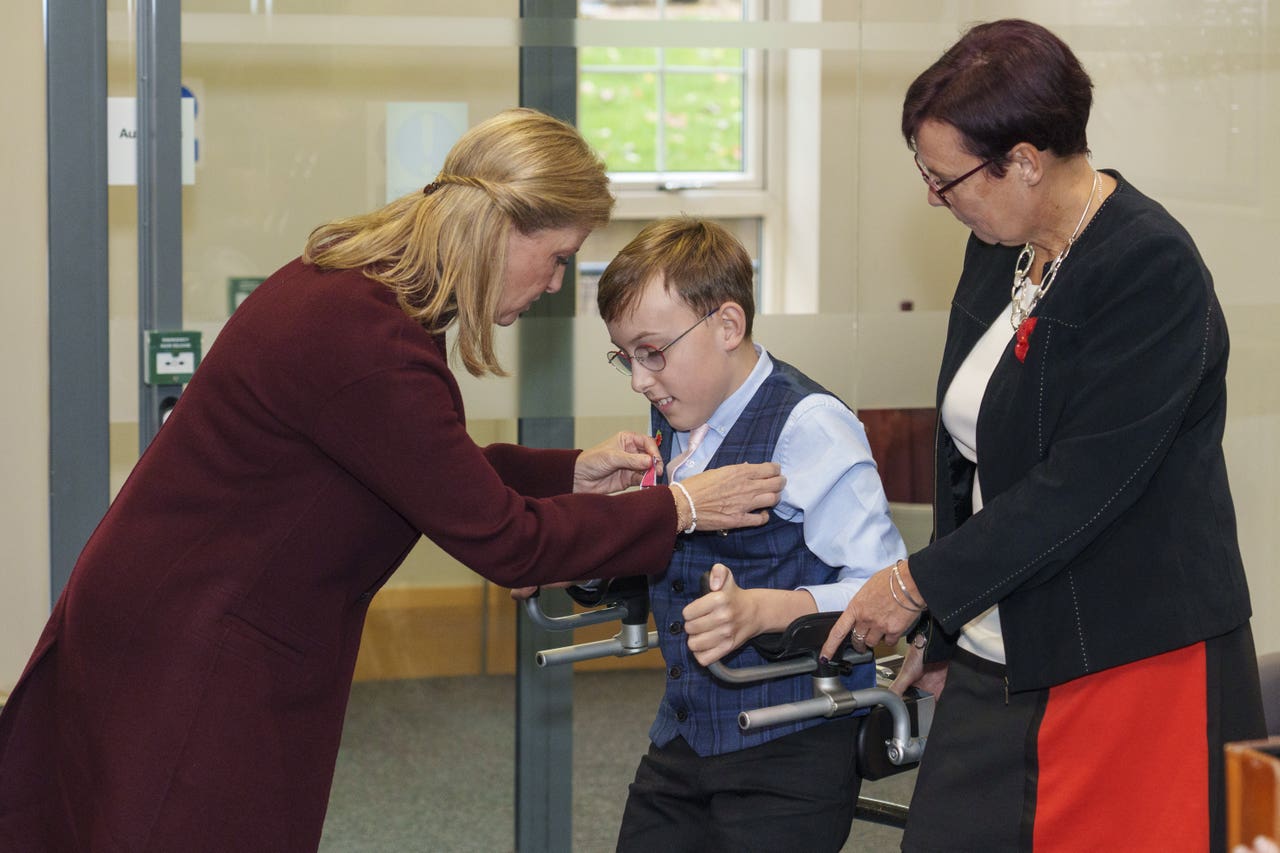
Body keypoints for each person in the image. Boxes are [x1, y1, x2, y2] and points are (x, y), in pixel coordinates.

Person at [0, 109, 785, 852]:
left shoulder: (357, 294)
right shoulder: (367, 337)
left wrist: (573, 474)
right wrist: (681, 505)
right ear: (503, 229)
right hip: (195, 646)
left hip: (181, 616)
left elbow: (409, 466)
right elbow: (507, 543)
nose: (553, 286)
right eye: (556, 259)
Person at [818, 19, 1266, 852]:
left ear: (1023, 161)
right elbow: (969, 456)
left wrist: (916, 585)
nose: (932, 195)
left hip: (1128, 654)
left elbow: (1083, 485)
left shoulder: (1149, 264)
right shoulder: (1000, 247)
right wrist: (947, 627)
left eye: (943, 176)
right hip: (1002, 632)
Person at [596, 216, 905, 852]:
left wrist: (767, 610)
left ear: (728, 326)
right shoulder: (675, 416)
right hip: (685, 733)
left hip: (791, 742)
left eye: (653, 352)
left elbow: (889, 589)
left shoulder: (809, 425)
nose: (639, 379)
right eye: (624, 357)